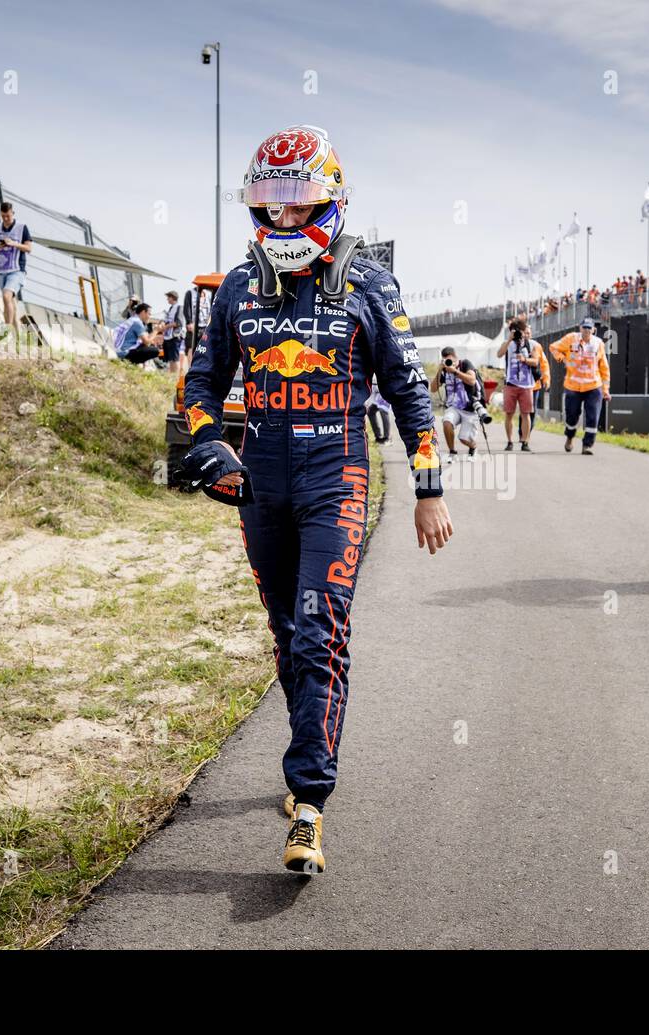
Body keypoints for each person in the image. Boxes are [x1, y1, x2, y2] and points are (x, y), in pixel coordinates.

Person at [180, 124, 452, 874]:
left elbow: (409, 395)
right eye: (271, 202)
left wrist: (429, 490)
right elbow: (201, 384)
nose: (285, 218)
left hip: (339, 474)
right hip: (261, 480)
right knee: (284, 632)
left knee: (318, 632)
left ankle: (308, 803)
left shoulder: (369, 283)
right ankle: (308, 747)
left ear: (329, 198)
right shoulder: (236, 286)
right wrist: (208, 445)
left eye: (300, 201)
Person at [548, 317, 611, 455]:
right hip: (573, 386)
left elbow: (604, 368)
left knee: (593, 417)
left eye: (589, 328)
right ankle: (570, 437)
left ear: (594, 329)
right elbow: (553, 347)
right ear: (580, 328)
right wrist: (564, 360)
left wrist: (605, 390)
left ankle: (587, 445)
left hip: (594, 386)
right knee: (571, 416)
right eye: (585, 327)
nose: (587, 330)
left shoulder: (598, 343)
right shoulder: (571, 338)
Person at [497, 316, 540, 451]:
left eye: (519, 330)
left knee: (526, 414)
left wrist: (525, 359)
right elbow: (499, 354)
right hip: (511, 384)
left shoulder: (531, 344)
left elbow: (536, 362)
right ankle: (509, 441)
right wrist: (509, 339)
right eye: (514, 331)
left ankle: (525, 442)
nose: (517, 333)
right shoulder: (508, 343)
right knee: (509, 414)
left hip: (527, 385)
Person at [430, 346, 481, 459]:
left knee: (463, 439)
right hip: (453, 407)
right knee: (446, 422)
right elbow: (433, 389)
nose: (449, 363)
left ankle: (473, 446)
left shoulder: (465, 364)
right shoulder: (444, 370)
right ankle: (452, 452)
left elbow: (472, 380)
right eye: (446, 360)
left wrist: (455, 372)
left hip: (469, 408)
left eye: (450, 360)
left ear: (455, 357)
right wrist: (440, 370)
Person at [0, 202, 32, 327]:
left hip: (17, 270)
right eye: (3, 216)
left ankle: (6, 332)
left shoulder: (22, 227)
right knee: (10, 303)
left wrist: (13, 244)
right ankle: (17, 336)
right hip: (2, 271)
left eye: (8, 216)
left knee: (6, 296)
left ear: (12, 213)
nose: (6, 219)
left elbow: (29, 248)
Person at [160, 290, 185, 369]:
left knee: (175, 358)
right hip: (168, 337)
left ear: (173, 298)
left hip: (175, 336)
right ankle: (172, 376)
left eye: (168, 297)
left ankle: (176, 377)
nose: (167, 299)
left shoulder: (179, 307)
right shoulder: (171, 308)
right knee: (171, 359)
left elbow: (179, 323)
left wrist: (166, 327)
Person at [365, 379, 391, 444]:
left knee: (383, 411)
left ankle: (387, 437)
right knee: (370, 411)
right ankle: (378, 436)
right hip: (375, 389)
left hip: (384, 388)